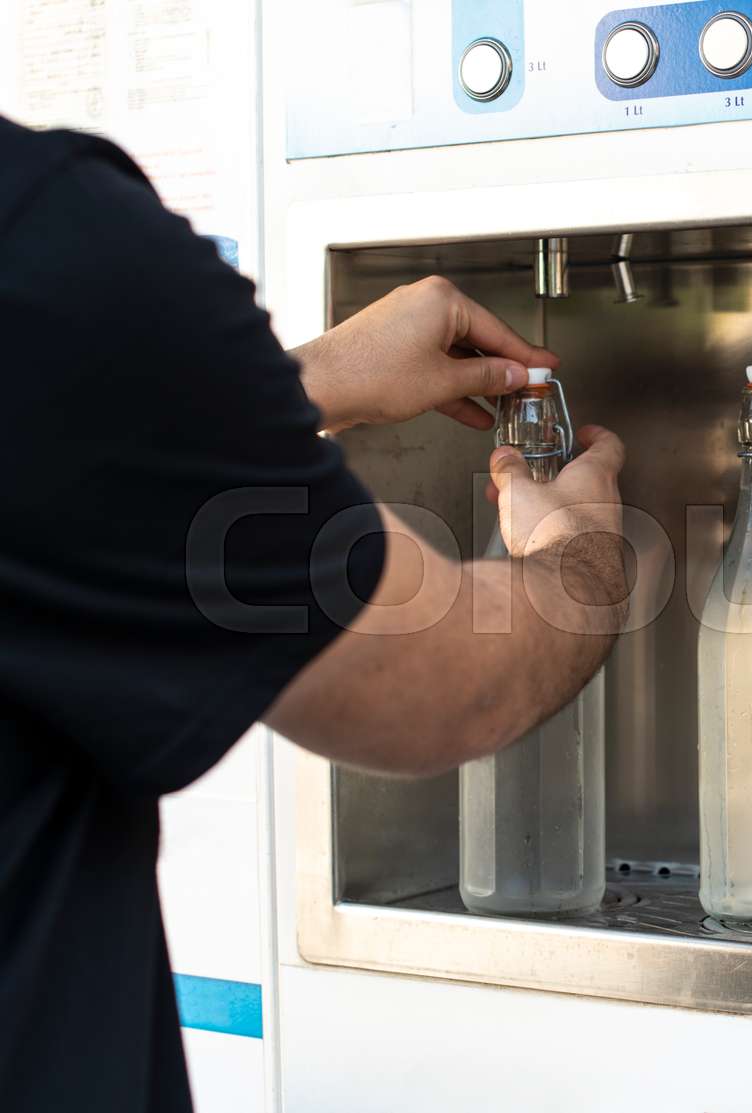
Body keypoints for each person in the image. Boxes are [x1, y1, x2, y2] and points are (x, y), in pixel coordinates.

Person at [0, 118, 628, 1112]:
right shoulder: (43, 238)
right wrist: (586, 546)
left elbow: (63, 465)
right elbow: (438, 688)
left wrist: (308, 385)